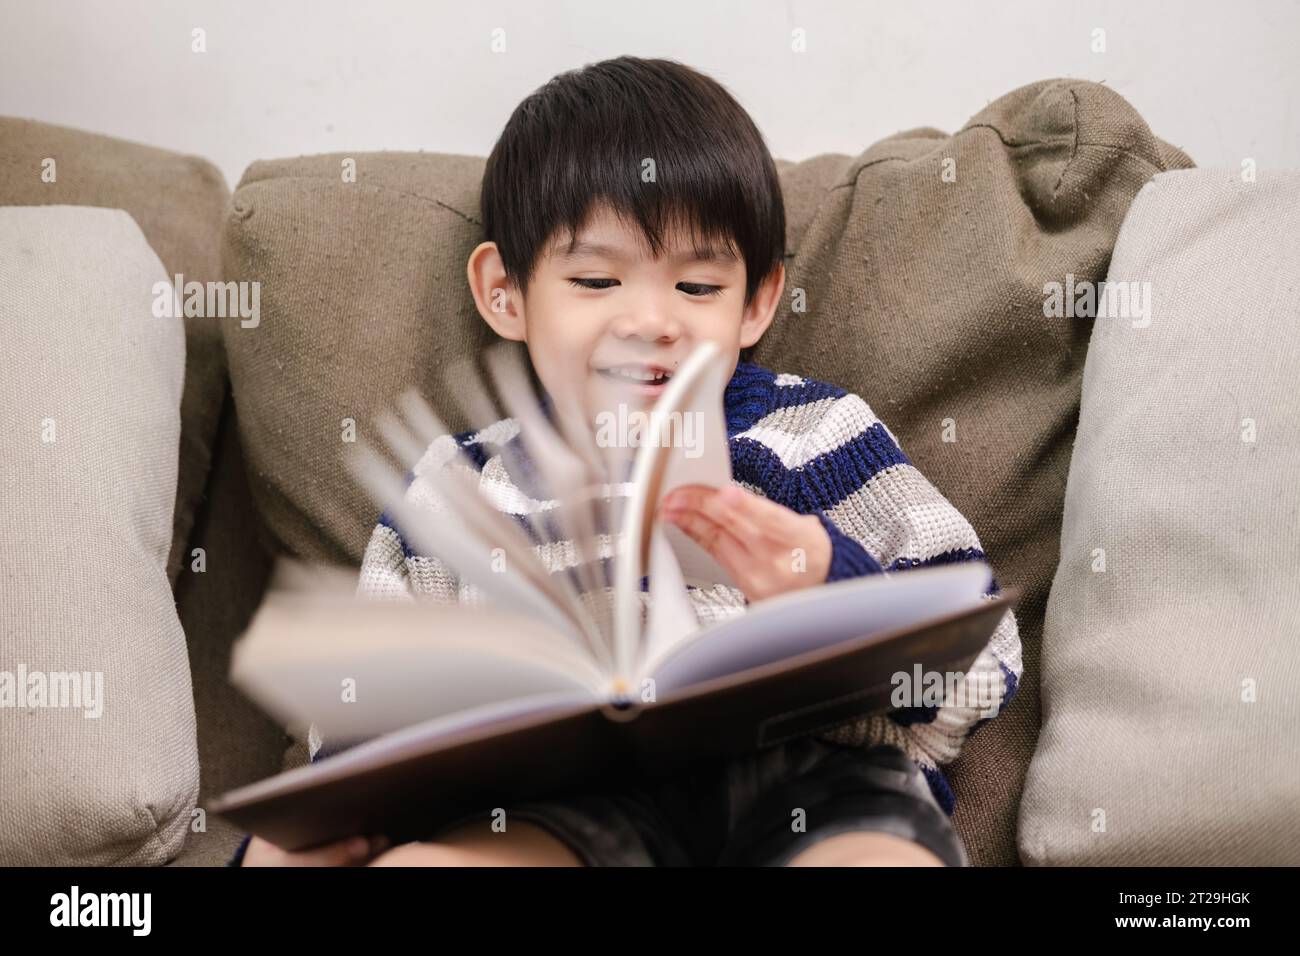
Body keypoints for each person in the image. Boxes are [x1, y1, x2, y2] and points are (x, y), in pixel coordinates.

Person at [235, 55, 1020, 867]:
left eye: (696, 288)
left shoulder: (815, 434)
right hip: (557, 807)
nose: (651, 320)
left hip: (816, 785)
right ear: (505, 291)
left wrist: (828, 581)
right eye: (598, 278)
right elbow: (361, 714)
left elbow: (986, 659)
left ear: (755, 301)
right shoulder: (457, 486)